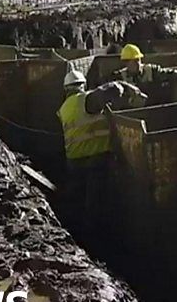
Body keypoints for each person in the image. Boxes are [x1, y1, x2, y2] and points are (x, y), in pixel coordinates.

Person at [56, 68, 137, 237]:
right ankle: (95, 239)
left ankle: (75, 232)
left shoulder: (64, 109)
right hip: (95, 158)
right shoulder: (85, 100)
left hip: (74, 162)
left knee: (78, 199)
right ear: (82, 86)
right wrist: (125, 86)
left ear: (66, 89)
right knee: (95, 203)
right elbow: (112, 90)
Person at [110, 43, 177, 103]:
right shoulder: (120, 77)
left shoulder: (151, 70)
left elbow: (169, 73)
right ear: (126, 63)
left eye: (138, 60)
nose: (137, 63)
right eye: (134, 61)